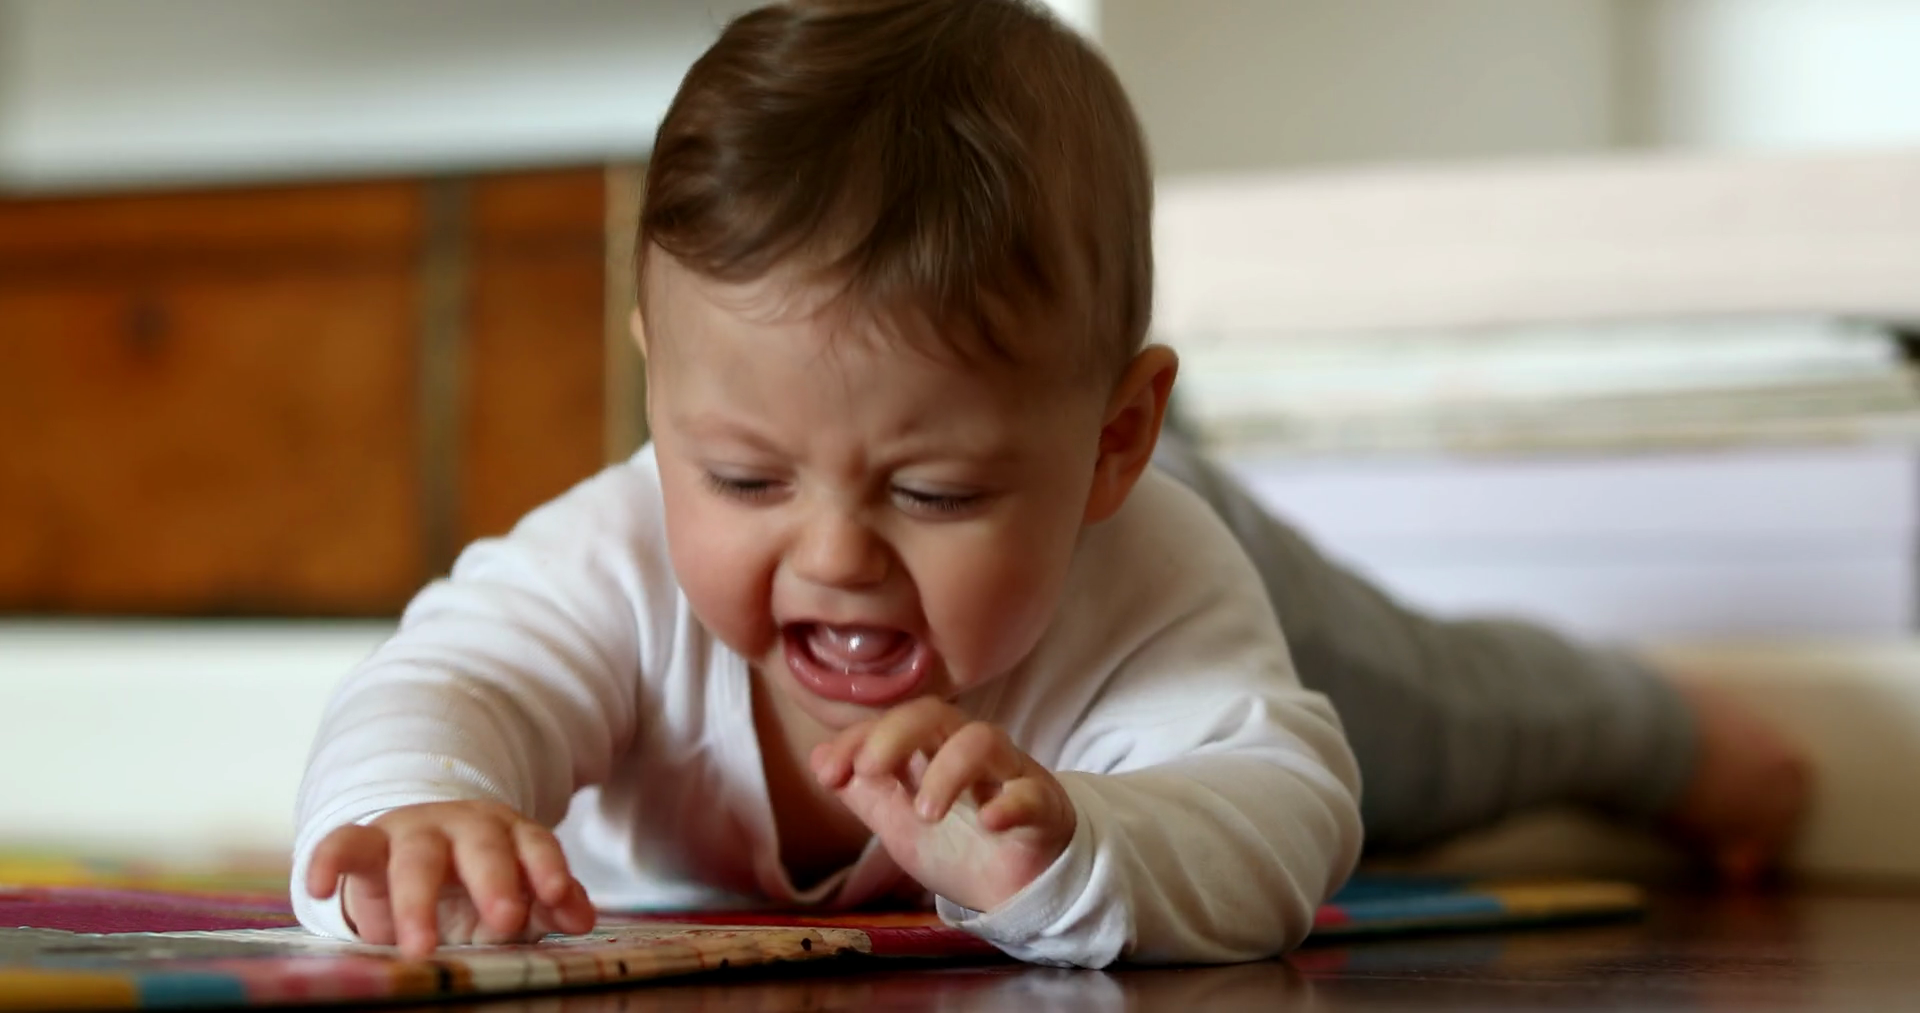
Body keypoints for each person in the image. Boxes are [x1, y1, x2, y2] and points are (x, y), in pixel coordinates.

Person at [291, 0, 1807, 970]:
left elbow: (1281, 814)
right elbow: (448, 681)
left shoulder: (1155, 563)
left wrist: (1081, 842)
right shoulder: (614, 556)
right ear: (658, 394)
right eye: (743, 474)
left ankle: (1659, 733)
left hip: (1187, 593)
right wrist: (421, 809)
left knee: (1446, 721)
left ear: (1115, 436)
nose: (833, 555)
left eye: (932, 492)